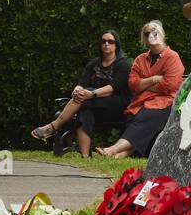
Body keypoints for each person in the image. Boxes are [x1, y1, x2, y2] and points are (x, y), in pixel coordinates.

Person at [31, 30, 131, 158]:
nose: (106, 44)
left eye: (110, 41)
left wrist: (92, 93)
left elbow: (114, 87)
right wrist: (77, 90)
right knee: (85, 111)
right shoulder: (94, 64)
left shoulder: (124, 64)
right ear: (100, 45)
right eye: (103, 41)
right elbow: (81, 83)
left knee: (85, 100)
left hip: (117, 104)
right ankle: (85, 157)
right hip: (92, 102)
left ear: (116, 45)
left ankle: (53, 126)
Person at [97, 21, 183, 159]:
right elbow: (132, 85)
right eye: (147, 33)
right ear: (144, 38)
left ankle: (112, 150)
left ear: (162, 35)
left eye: (155, 32)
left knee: (144, 117)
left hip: (165, 104)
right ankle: (122, 154)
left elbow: (170, 86)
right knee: (137, 117)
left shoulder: (172, 57)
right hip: (140, 104)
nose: (151, 35)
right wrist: (153, 79)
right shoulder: (140, 59)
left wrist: (143, 85)